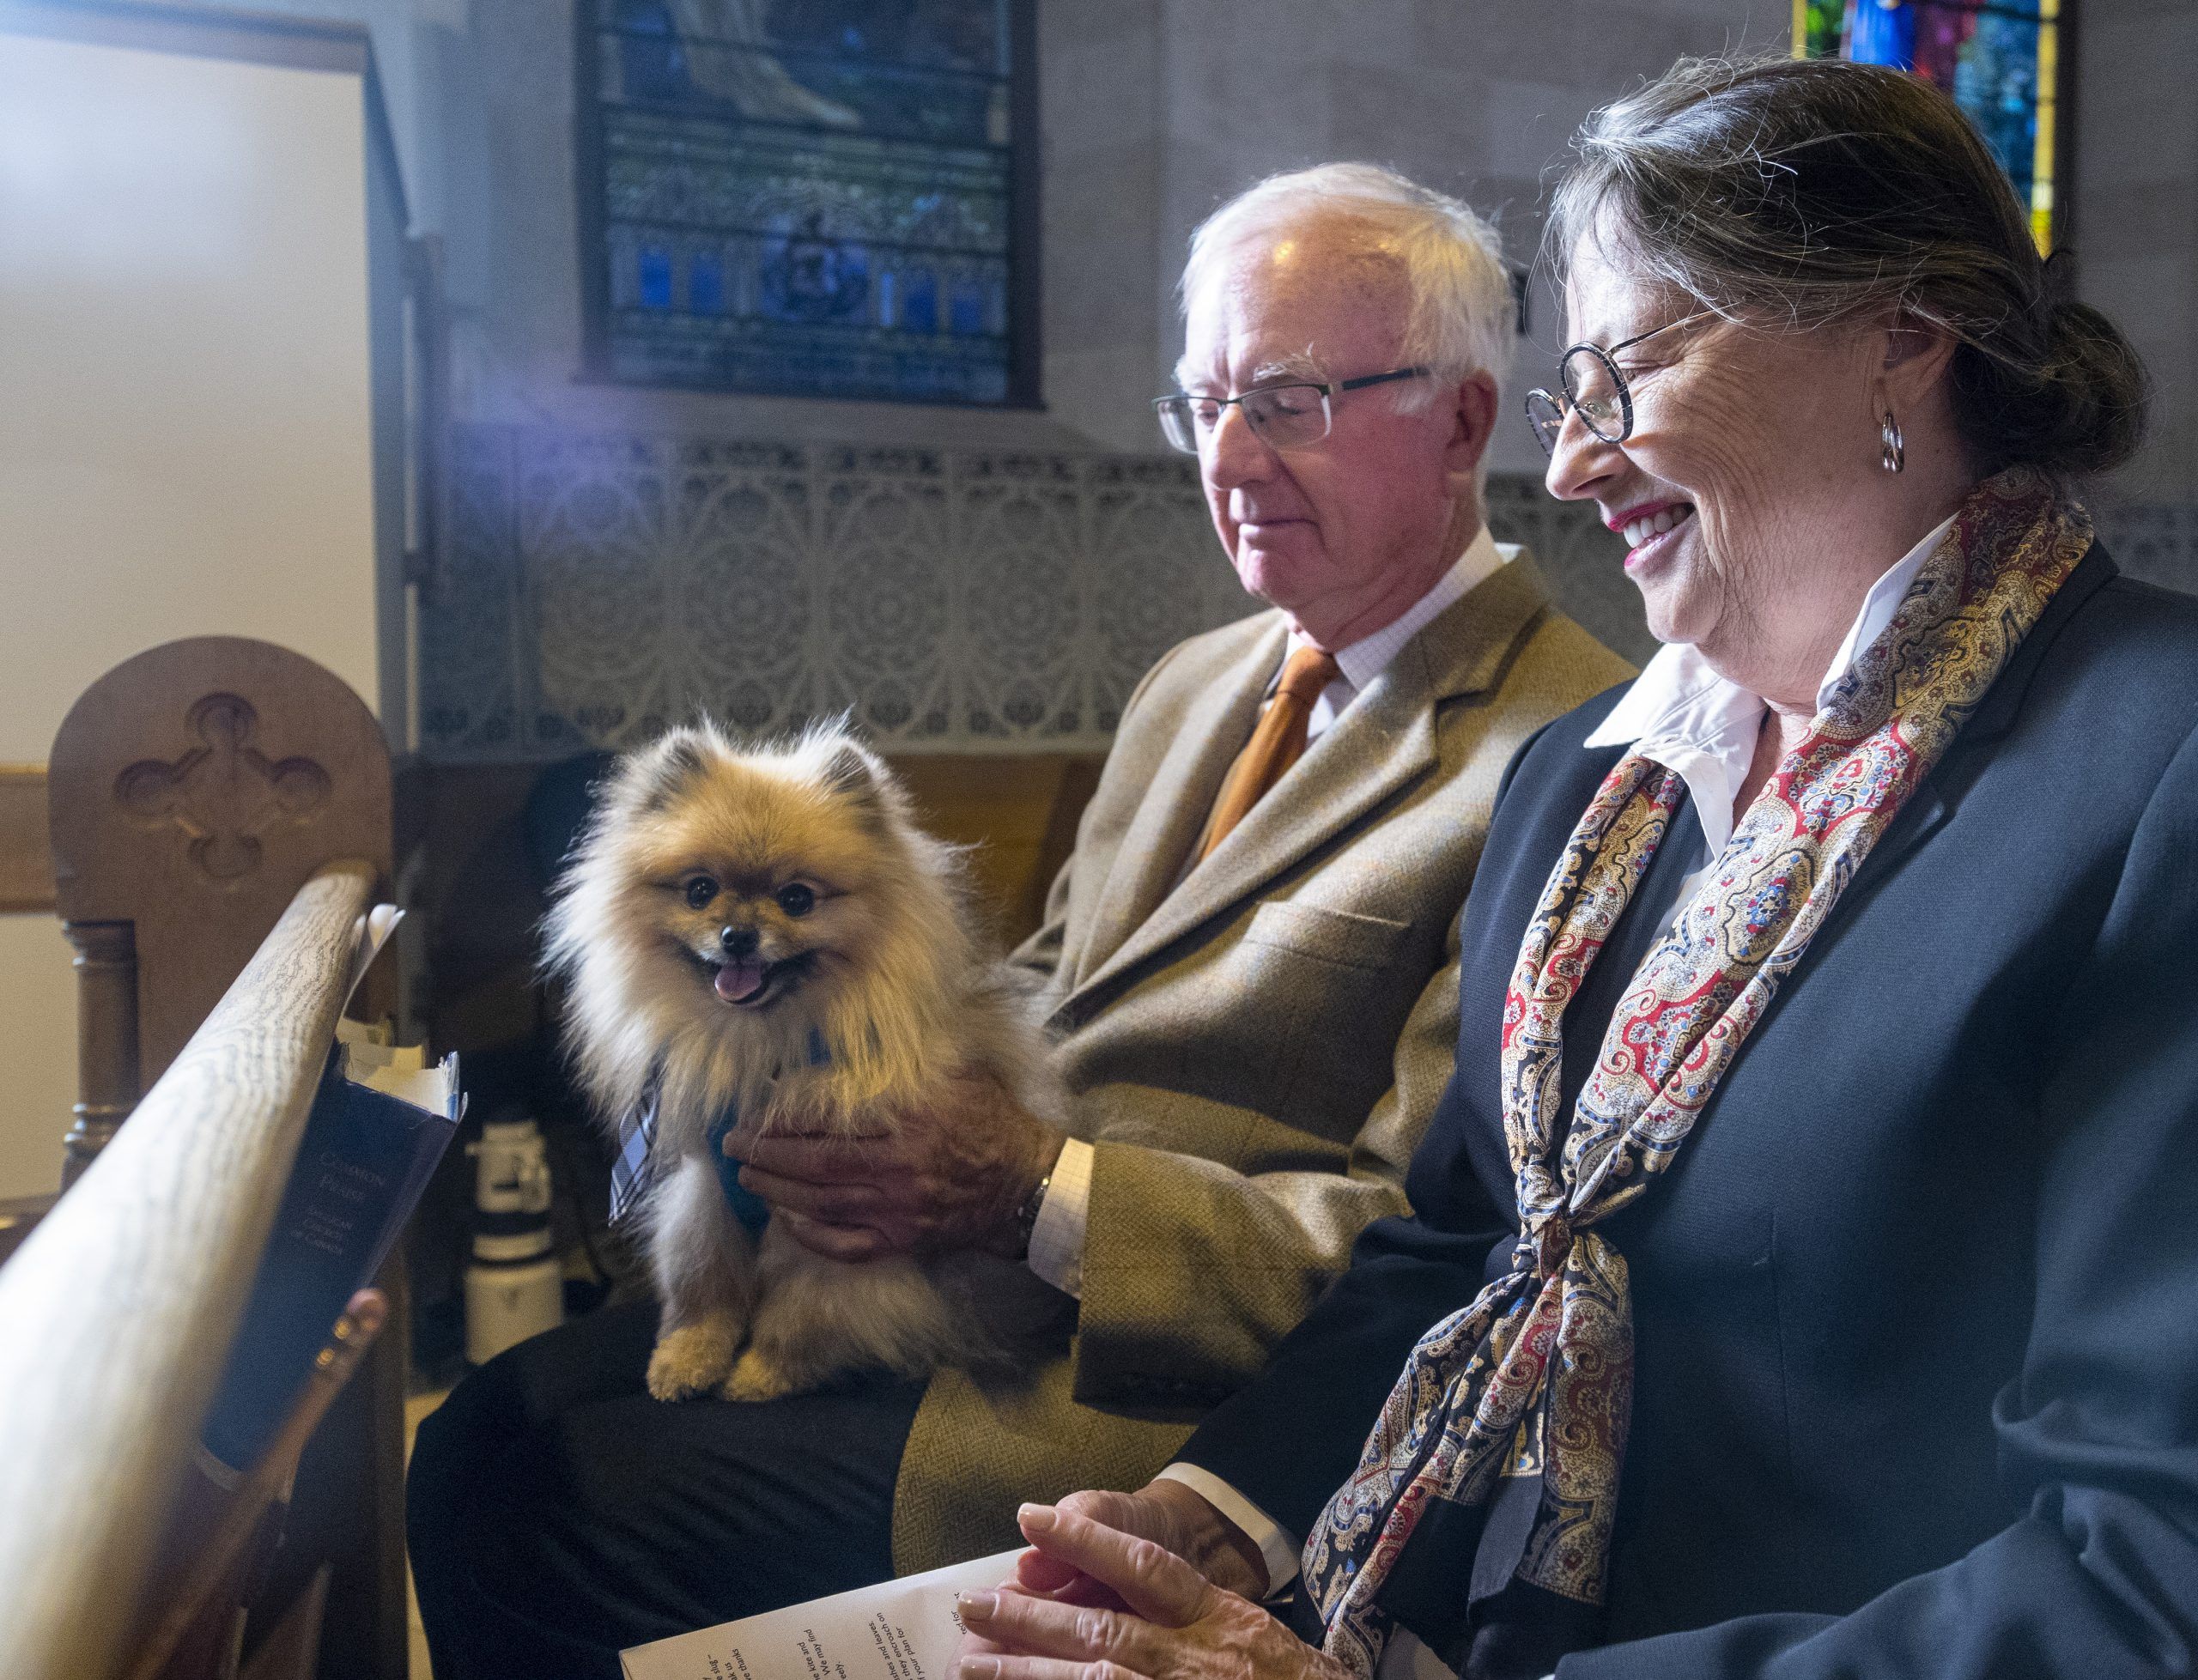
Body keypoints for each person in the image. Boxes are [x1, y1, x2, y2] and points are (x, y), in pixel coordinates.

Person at [956, 54, 2195, 1680]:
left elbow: (2145, 1576)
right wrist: (1225, 1504)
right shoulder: (1587, 781)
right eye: (1570, 397)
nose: (1576, 467)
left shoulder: (2156, 766)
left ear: (1905, 326)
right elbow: (1477, 1233)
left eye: (1634, 372)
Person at [406, 162, 1632, 1677]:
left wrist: (1032, 1190)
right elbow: (1044, 990)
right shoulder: (1198, 679)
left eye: (1293, 400)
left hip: (1140, 1401)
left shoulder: (1566, 747)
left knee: (544, 1506)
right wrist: (804, 1089)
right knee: (491, 1423)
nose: (1232, 457)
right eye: (1207, 404)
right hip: (922, 1290)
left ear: (1462, 419)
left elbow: (1433, 1247)